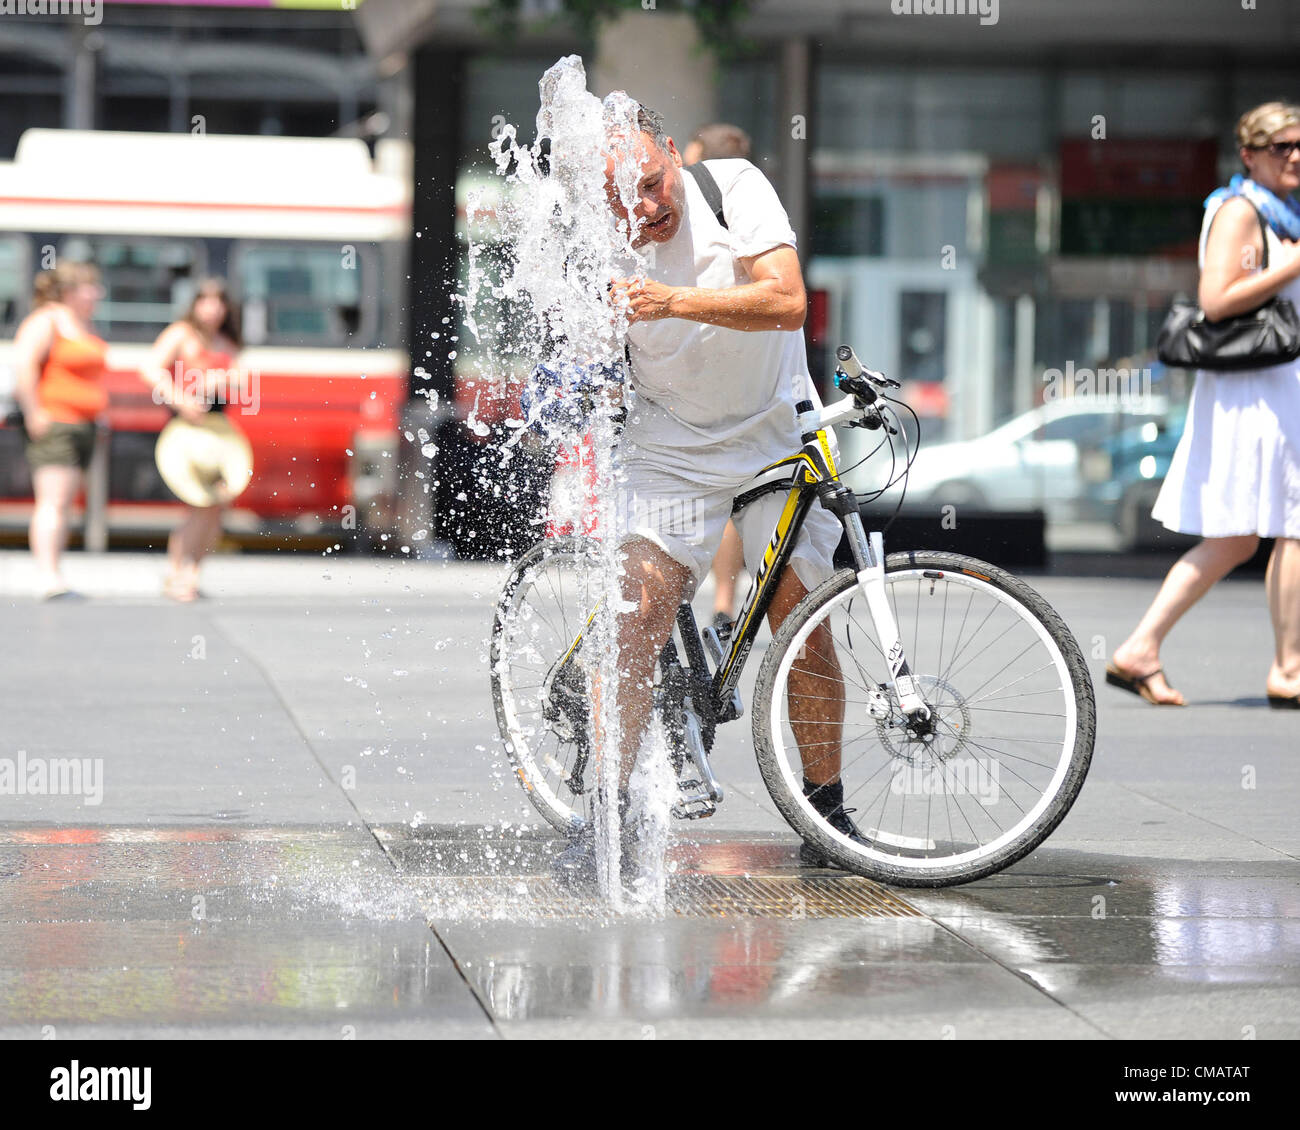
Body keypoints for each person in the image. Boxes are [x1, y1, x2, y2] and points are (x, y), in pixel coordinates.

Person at [555, 104, 857, 879]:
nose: (643, 208)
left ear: (669, 151)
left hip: (773, 433)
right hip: (674, 448)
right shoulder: (596, 242)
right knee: (638, 615)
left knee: (804, 617)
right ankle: (604, 815)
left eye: (651, 183)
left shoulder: (734, 188)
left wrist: (671, 301)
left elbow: (786, 300)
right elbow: (588, 364)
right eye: (620, 198)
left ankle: (828, 817)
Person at [1108, 102, 1300, 708]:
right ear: (1249, 155)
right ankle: (1290, 670)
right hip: (1257, 394)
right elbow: (1216, 300)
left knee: (1240, 538)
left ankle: (1140, 649)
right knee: (1292, 526)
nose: (1295, 157)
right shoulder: (1242, 210)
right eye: (1281, 147)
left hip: (1266, 391)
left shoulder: (1278, 212)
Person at [682, 122, 754, 633]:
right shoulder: (754, 205)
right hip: (748, 377)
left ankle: (703, 597)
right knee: (737, 497)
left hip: (693, 380)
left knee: (714, 494)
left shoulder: (697, 203)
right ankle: (725, 598)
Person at [140, 278, 245, 601]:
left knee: (215, 507)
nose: (212, 309)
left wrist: (221, 379)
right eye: (205, 301)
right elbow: (150, 369)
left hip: (217, 430)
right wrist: (181, 399)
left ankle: (194, 571)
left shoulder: (226, 341)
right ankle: (178, 573)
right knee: (197, 503)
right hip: (187, 430)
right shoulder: (181, 335)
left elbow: (240, 380)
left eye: (218, 302)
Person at [11, 262, 107, 600]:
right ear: (70, 290)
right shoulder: (46, 320)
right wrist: (34, 412)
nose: (98, 294)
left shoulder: (83, 323)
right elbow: (23, 365)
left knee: (64, 503)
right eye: (91, 287)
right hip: (56, 423)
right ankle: (47, 576)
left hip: (83, 424)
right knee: (52, 501)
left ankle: (55, 572)